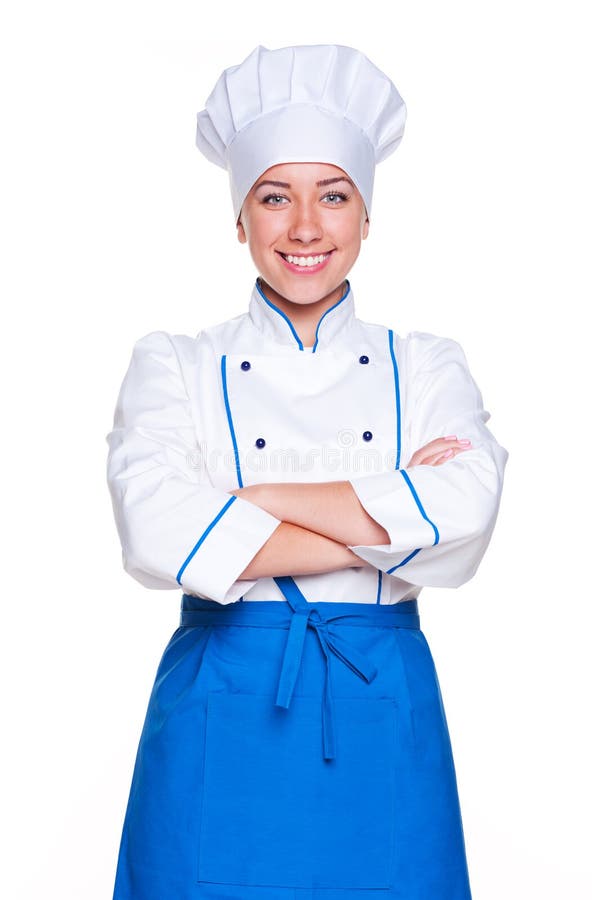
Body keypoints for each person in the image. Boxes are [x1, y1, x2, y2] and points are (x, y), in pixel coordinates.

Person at [105, 43, 509, 900]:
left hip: (380, 702)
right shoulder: (174, 362)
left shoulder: (427, 364)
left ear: (366, 216)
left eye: (332, 196)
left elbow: (464, 514)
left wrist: (254, 502)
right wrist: (386, 524)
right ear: (240, 217)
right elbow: (158, 532)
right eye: (273, 197)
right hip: (223, 694)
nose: (303, 228)